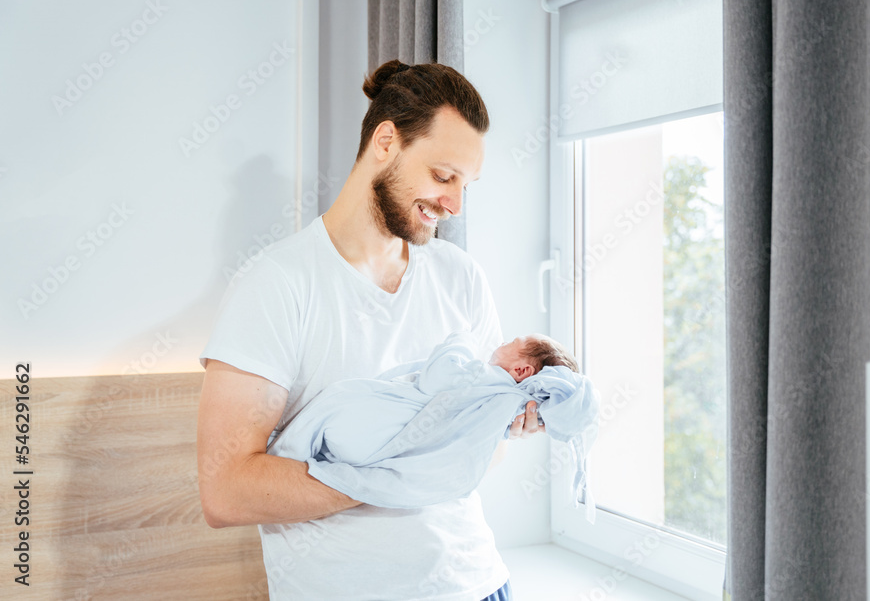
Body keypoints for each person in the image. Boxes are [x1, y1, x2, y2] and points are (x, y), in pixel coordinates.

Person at [196, 59, 544, 601]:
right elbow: (225, 491)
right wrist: (398, 471)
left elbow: (479, 452)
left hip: (478, 582)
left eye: (465, 185)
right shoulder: (277, 286)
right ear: (386, 142)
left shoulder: (460, 277)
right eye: (443, 176)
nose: (454, 204)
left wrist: (499, 425)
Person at [265, 329, 598, 513]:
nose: (498, 343)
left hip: (377, 430)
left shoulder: (487, 379)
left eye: (509, 343)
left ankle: (284, 450)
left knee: (341, 396)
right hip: (378, 447)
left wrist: (460, 341)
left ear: (522, 371)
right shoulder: (499, 406)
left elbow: (437, 377)